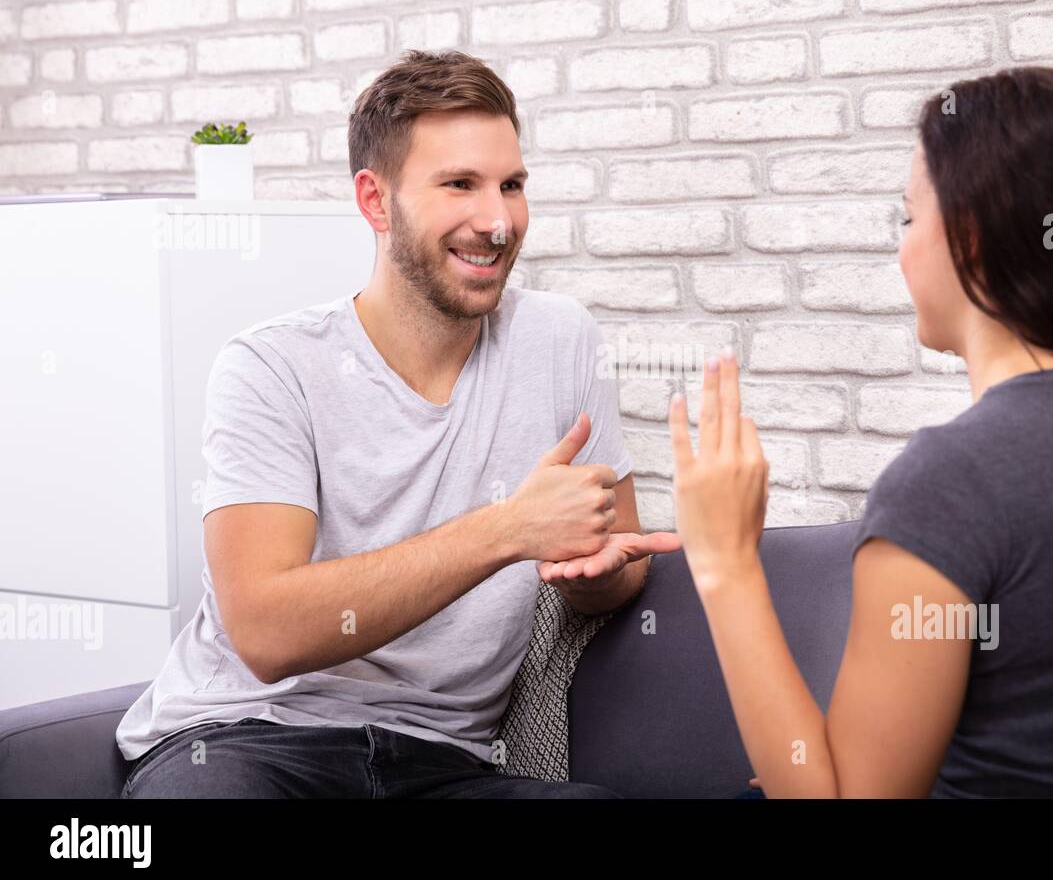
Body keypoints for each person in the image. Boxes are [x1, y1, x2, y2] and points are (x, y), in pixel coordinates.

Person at [116, 50, 680, 798]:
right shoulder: (272, 367)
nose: (498, 221)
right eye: (460, 185)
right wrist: (507, 529)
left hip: (446, 762)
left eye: (511, 186)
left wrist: (596, 575)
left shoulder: (561, 340)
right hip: (250, 743)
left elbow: (619, 560)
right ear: (376, 202)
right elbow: (266, 633)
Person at [671, 66, 1053, 798]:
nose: (901, 248)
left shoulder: (953, 477)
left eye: (909, 218)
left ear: (968, 240)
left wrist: (725, 561)